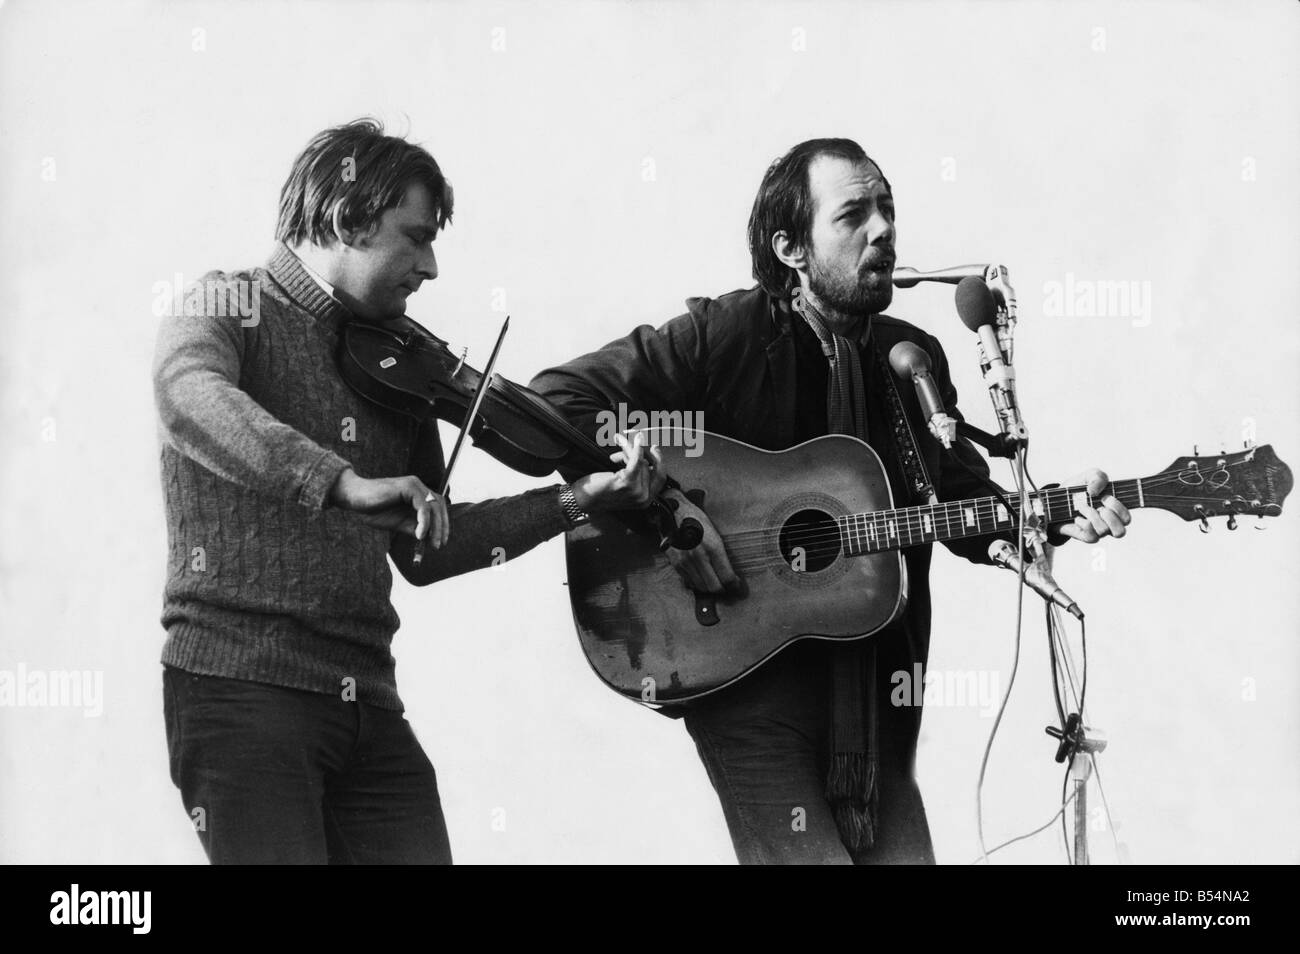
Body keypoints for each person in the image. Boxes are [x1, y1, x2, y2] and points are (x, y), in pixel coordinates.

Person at [530, 137, 1131, 865]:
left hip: (879, 705)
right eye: (854, 215)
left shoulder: (910, 355)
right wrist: (670, 514)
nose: (883, 230)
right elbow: (556, 403)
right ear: (791, 248)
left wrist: (1054, 515)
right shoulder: (726, 335)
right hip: (748, 688)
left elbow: (963, 503)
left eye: (888, 211)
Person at [152, 119, 661, 864]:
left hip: (369, 705)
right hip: (240, 691)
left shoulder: (397, 362)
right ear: (344, 218)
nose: (429, 268)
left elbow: (426, 549)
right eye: (415, 237)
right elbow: (186, 397)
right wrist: (339, 482)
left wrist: (579, 500)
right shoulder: (228, 307)